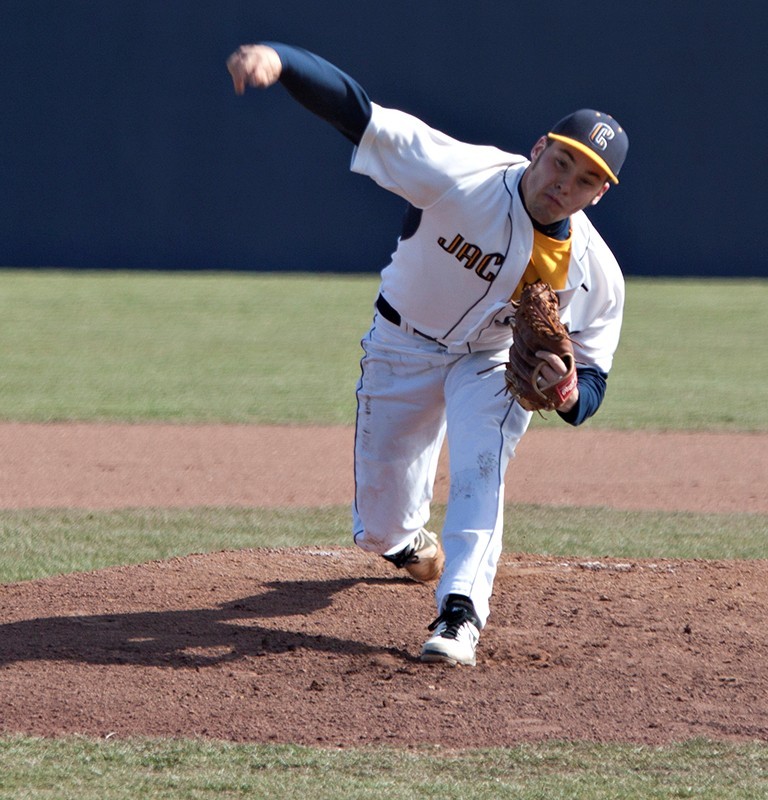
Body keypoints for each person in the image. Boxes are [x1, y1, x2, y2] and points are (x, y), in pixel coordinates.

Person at [226, 41, 629, 667]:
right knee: (380, 530)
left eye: (586, 179)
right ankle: (408, 544)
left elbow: (593, 380)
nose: (564, 183)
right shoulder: (458, 172)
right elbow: (359, 113)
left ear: (599, 195)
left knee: (481, 465)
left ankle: (460, 611)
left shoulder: (596, 273)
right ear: (539, 149)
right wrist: (280, 62)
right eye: (563, 162)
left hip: (492, 359)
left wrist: (567, 390)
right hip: (403, 345)